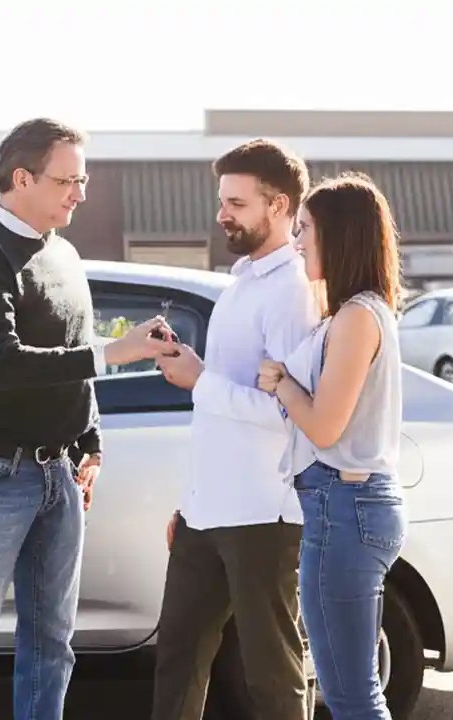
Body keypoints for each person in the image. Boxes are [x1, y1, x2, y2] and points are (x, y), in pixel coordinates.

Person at [0, 117, 176, 720]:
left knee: (53, 645)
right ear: (21, 178)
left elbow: (74, 352)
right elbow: (2, 365)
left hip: (60, 475)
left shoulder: (63, 253)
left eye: (82, 179)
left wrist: (91, 441)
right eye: (67, 180)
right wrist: (113, 353)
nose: (80, 193)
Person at [152, 138, 320, 720]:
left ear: (279, 207)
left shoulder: (292, 292)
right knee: (177, 655)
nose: (222, 213)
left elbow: (289, 413)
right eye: (222, 200)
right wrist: (189, 500)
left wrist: (199, 379)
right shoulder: (243, 280)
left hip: (263, 516)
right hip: (207, 512)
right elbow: (225, 404)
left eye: (237, 203)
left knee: (271, 674)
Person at [257, 172, 407, 720]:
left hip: (346, 507)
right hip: (345, 506)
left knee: (350, 694)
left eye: (305, 230)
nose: (296, 242)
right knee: (350, 687)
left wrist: (282, 382)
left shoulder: (357, 317)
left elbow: (325, 428)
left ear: (338, 236)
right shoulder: (352, 314)